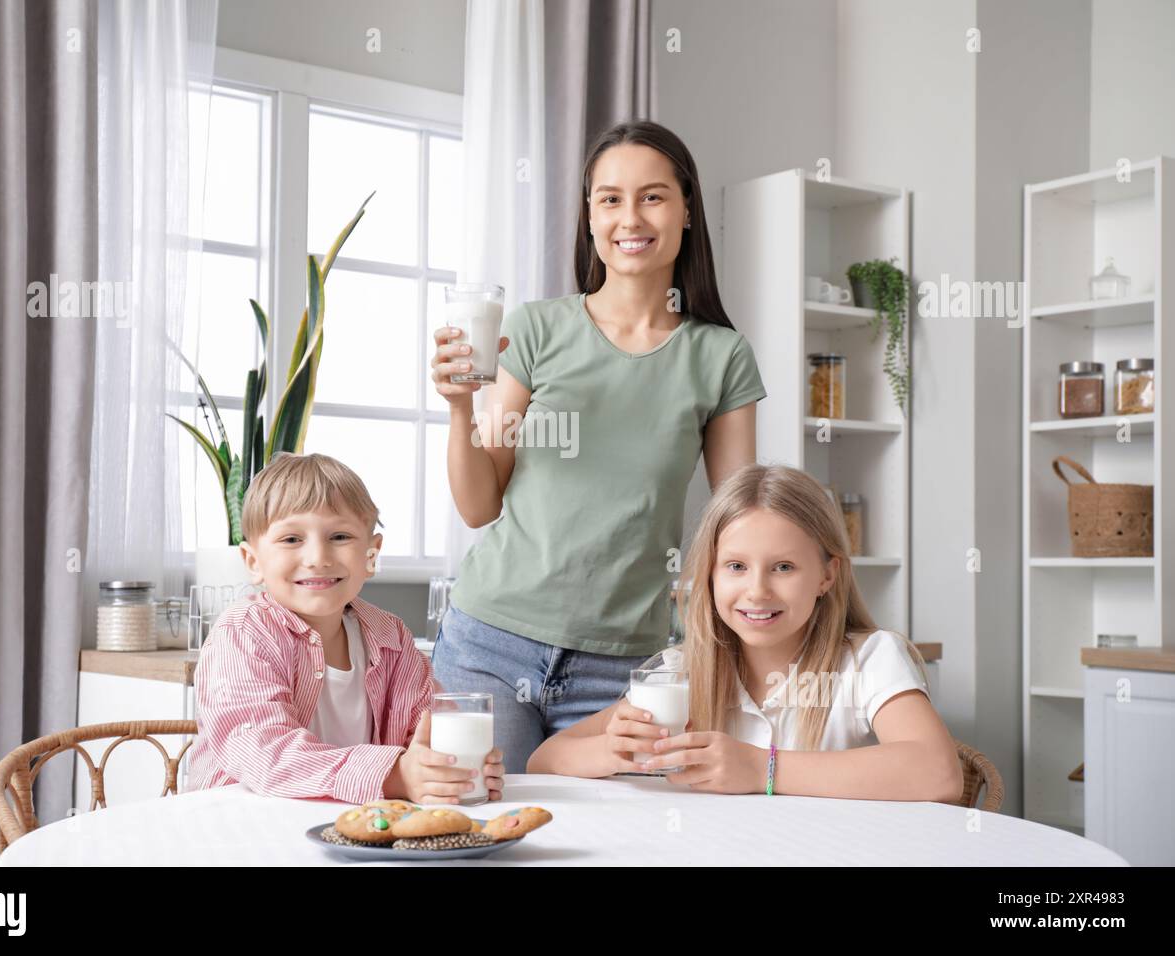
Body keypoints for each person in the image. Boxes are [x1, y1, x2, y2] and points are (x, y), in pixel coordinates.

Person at [430, 121, 767, 772]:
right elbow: (478, 507)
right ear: (589, 216)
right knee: (474, 831)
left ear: (687, 208)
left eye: (653, 196)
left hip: (623, 670)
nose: (629, 217)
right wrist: (458, 407)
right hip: (489, 643)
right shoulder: (534, 328)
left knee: (610, 845)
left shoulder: (720, 357)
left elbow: (739, 523)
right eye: (609, 198)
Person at [527, 463, 964, 804]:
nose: (757, 591)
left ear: (827, 576)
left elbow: (938, 773)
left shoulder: (870, 659)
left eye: (784, 567)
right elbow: (542, 762)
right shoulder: (682, 673)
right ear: (711, 576)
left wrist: (762, 770)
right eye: (736, 567)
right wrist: (611, 751)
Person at [188, 452, 505, 803]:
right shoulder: (244, 634)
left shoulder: (391, 638)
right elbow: (266, 752)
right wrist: (394, 775)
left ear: (372, 553)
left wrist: (449, 767)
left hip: (348, 831)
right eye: (292, 539)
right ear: (253, 561)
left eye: (339, 537)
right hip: (243, 829)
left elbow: (427, 730)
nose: (318, 557)